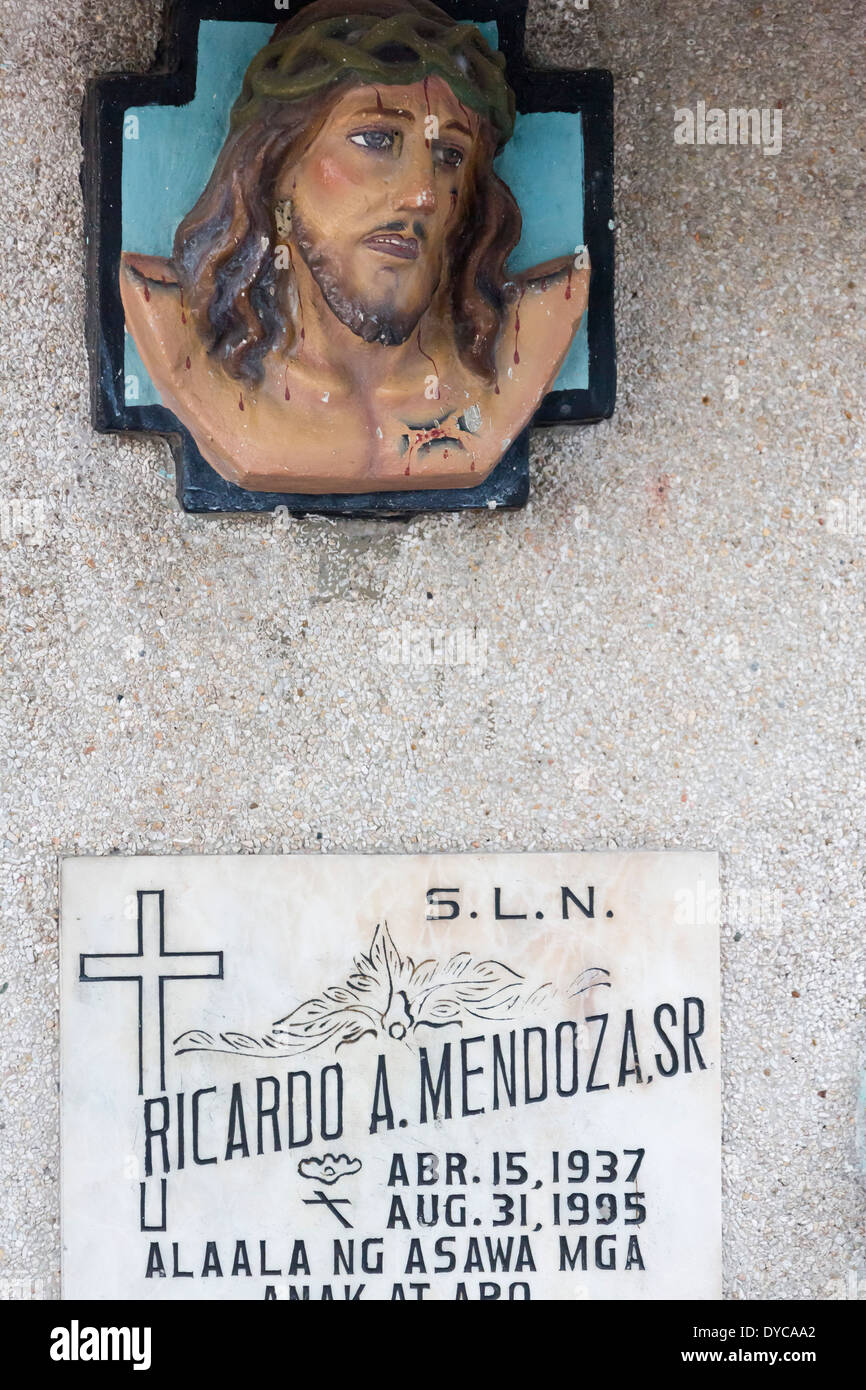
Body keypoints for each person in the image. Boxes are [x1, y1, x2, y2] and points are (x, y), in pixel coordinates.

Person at [120, 0, 589, 493]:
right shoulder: (173, 331)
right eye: (376, 140)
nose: (422, 195)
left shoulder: (535, 328)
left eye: (450, 154)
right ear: (278, 168)